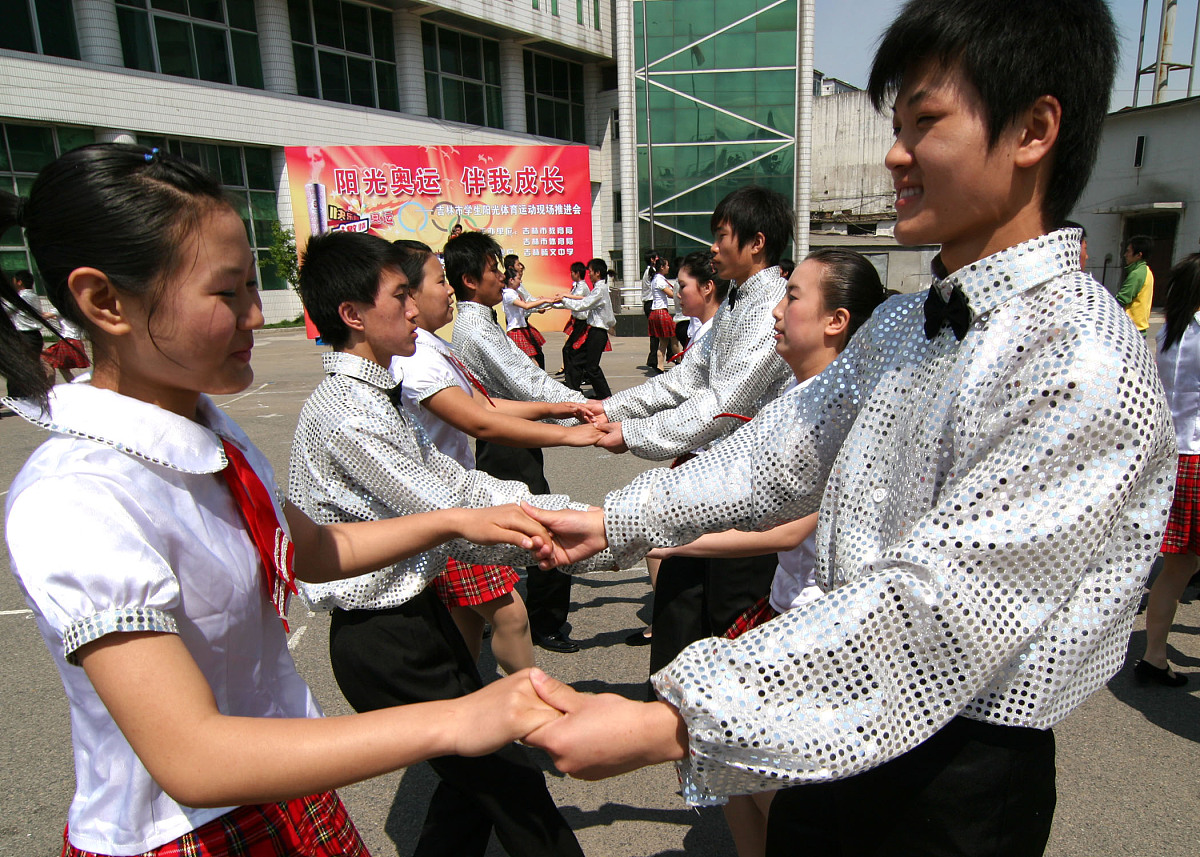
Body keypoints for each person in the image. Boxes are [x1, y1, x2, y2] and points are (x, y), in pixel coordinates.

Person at [521, 4, 1176, 856]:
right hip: (836, 714)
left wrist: (673, 718)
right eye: (895, 124)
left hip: (955, 772)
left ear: (1034, 129)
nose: (895, 154)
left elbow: (937, 605)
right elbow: (779, 448)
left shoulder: (1083, 361)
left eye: (926, 123)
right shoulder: (908, 321)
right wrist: (616, 521)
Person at [0, 143, 563, 857]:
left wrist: (458, 519)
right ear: (105, 301)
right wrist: (454, 719)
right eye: (225, 291)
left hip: (283, 782)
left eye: (251, 287)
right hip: (186, 832)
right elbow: (193, 756)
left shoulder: (207, 428)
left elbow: (314, 548)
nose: (252, 314)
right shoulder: (78, 495)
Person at [290, 229, 607, 857]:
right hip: (385, 637)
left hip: (414, 619)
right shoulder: (349, 410)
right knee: (512, 788)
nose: (415, 309)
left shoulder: (376, 392)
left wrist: (592, 515)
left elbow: (456, 481)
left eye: (417, 291)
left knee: (471, 788)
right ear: (352, 314)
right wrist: (597, 525)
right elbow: (451, 508)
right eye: (401, 295)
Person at [648, 249, 887, 857]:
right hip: (781, 608)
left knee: (773, 780)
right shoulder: (795, 398)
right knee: (732, 770)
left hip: (815, 629)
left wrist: (663, 535)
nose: (776, 311)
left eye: (793, 298)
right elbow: (731, 473)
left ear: (837, 321)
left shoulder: (850, 411)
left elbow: (783, 529)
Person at [389, 239, 602, 672]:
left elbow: (487, 404)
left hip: (458, 492)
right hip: (452, 500)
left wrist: (559, 410)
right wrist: (571, 432)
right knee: (511, 608)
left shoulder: (435, 346)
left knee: (466, 617)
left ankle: (467, 700)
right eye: (437, 281)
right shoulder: (425, 354)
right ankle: (524, 708)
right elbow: (483, 418)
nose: (447, 289)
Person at [448, 231, 591, 654]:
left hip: (507, 433)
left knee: (513, 527)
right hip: (505, 439)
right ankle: (544, 621)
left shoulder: (479, 324)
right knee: (541, 525)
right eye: (496, 271)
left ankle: (495, 608)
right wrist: (584, 407)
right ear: (470, 279)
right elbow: (526, 382)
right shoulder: (476, 330)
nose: (504, 279)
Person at [1136, 253, 1200, 687]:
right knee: (1183, 565)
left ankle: (1154, 655)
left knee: (1178, 565)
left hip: (1172, 455)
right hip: (1196, 454)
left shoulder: (1170, 333)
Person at [557, 258, 615, 399]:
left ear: (598, 273)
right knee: (576, 358)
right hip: (593, 331)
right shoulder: (598, 289)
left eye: (590, 272)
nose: (588, 274)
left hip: (597, 332)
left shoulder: (600, 290)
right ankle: (574, 390)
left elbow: (582, 304)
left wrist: (562, 299)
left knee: (592, 368)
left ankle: (605, 396)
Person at [4, 269, 47, 397]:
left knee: (17, 366)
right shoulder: (34, 296)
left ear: (19, 282)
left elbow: (7, 310)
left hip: (24, 336)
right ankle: (35, 394)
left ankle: (17, 397)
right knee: (32, 365)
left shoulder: (22, 297)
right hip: (35, 336)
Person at [501, 265, 552, 368]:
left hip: (521, 328)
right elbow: (526, 305)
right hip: (516, 330)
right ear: (511, 280)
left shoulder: (513, 293)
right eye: (518, 279)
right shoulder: (509, 295)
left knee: (531, 360)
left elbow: (526, 307)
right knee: (528, 362)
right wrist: (545, 300)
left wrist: (543, 305)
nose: (520, 281)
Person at [1117, 235, 1155, 335]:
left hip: (1132, 329)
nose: (1125, 255)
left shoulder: (1137, 273)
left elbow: (1122, 299)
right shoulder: (1146, 271)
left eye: (1128, 251)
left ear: (1139, 255)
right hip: (1139, 328)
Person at [561, 261, 590, 386]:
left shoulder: (582, 287)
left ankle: (574, 378)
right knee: (570, 350)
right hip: (577, 320)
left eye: (572, 272)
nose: (571, 274)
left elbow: (576, 299)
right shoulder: (576, 286)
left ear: (577, 273)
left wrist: (562, 298)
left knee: (570, 350)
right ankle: (574, 377)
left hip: (583, 322)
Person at [645, 256, 676, 374]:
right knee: (674, 337)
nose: (668, 267)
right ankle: (679, 361)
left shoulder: (656, 279)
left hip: (655, 312)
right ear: (662, 267)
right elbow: (670, 294)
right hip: (661, 312)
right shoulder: (659, 280)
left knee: (663, 342)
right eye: (667, 265)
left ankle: (660, 366)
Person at [639, 250, 662, 369]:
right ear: (652, 260)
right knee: (657, 333)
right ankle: (654, 358)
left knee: (656, 333)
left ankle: (655, 358)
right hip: (652, 304)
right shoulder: (652, 272)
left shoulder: (648, 271)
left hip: (649, 304)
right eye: (656, 258)